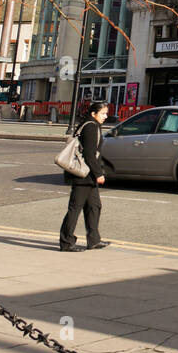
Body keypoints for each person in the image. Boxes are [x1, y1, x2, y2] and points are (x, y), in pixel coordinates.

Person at [59, 100, 110, 252]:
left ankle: (94, 240)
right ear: (93, 114)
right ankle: (66, 242)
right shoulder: (91, 127)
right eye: (102, 113)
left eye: (106, 113)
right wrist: (98, 173)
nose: (105, 116)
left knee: (94, 206)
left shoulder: (91, 125)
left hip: (88, 175)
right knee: (75, 209)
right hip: (83, 175)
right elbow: (89, 154)